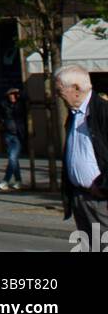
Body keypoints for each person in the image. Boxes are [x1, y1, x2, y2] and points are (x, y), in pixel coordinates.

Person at [56, 65, 108, 237]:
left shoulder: (102, 111)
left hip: (100, 198)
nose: (58, 95)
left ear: (76, 89)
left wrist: (103, 185)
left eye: (60, 90)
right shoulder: (74, 114)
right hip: (80, 195)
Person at [0, 86, 27, 191]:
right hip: (8, 134)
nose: (13, 96)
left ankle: (5, 180)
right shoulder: (4, 104)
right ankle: (18, 181)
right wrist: (2, 122)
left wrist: (19, 92)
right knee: (13, 160)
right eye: (11, 94)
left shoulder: (20, 104)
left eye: (15, 94)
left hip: (18, 135)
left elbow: (26, 98)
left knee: (12, 158)